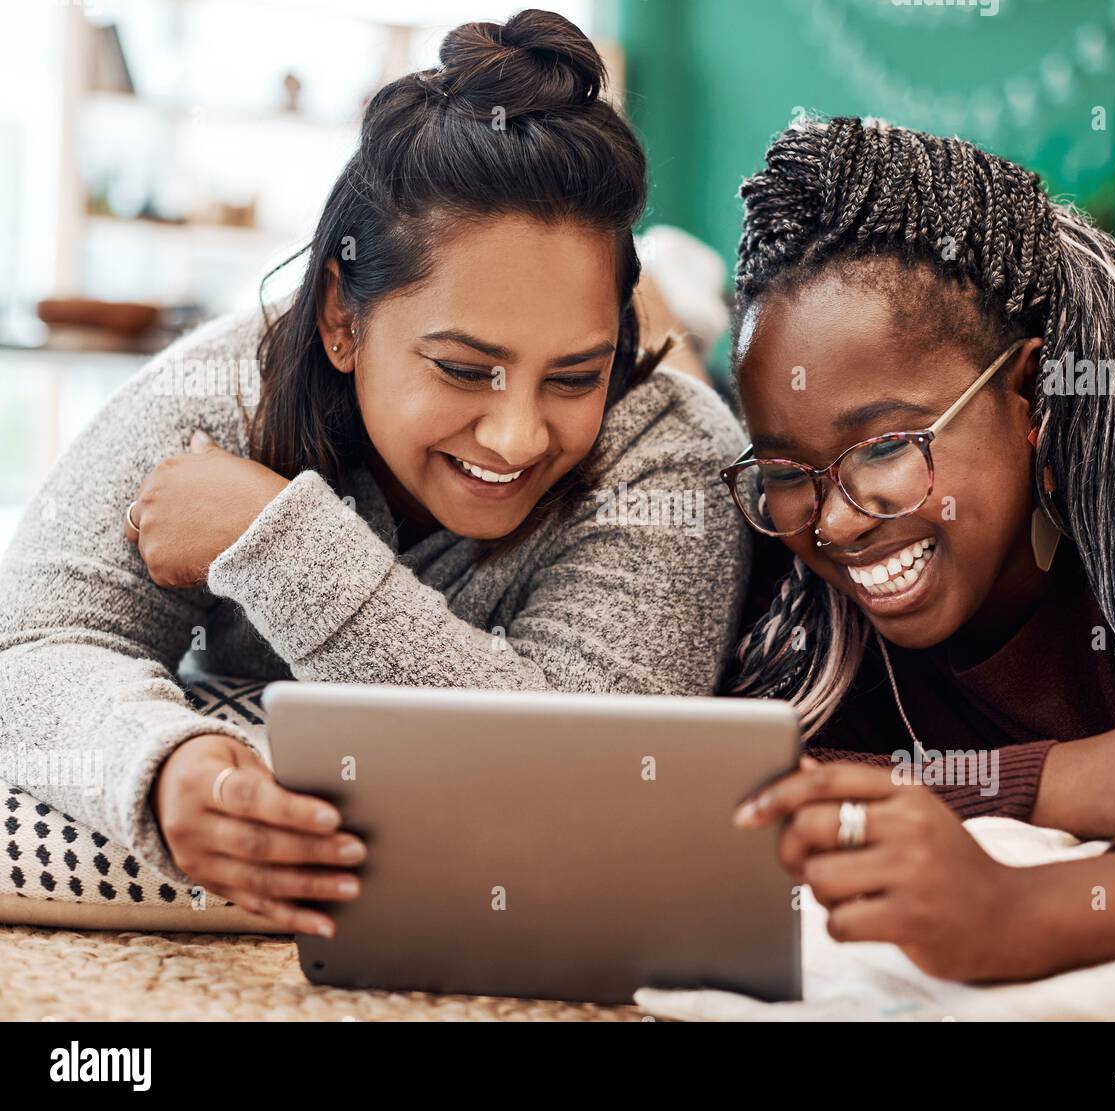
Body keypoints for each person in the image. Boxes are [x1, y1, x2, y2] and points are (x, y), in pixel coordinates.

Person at [0, 11, 748, 937]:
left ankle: (682, 303)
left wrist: (272, 541)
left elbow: (594, 776)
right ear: (340, 321)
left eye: (574, 375)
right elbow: (30, 645)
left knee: (692, 349)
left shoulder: (674, 458)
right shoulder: (220, 389)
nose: (516, 438)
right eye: (464, 369)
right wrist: (163, 763)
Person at [723, 116, 1115, 981]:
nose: (835, 522)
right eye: (785, 466)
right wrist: (1060, 779)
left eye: (885, 447)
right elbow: (745, 784)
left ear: (1031, 391)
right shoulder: (796, 562)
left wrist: (1029, 913)